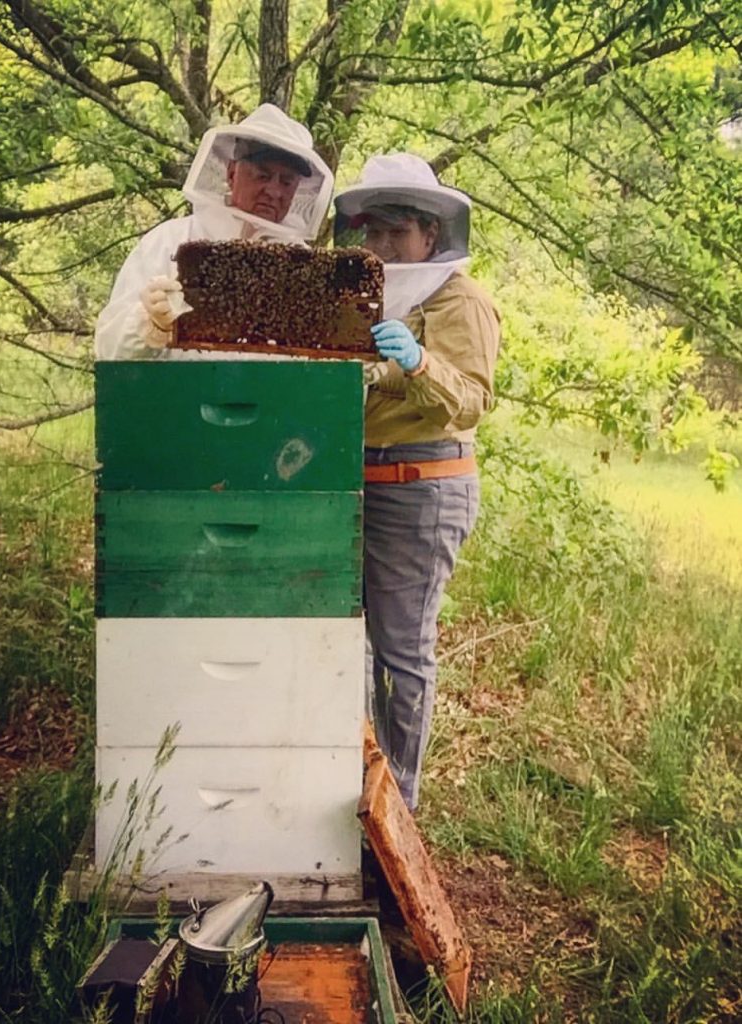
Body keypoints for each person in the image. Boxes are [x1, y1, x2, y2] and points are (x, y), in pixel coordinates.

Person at [334, 153, 501, 812]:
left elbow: (471, 400)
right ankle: (352, 785)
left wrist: (419, 362)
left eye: (397, 231)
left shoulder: (461, 299)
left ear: (430, 233)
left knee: (401, 650)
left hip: (421, 485)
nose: (382, 245)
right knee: (347, 642)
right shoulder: (362, 294)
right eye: (373, 230)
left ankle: (396, 808)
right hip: (357, 482)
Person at [95, 103, 333, 360]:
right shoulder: (169, 241)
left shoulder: (304, 266)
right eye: (262, 176)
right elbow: (109, 351)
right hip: (177, 386)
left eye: (286, 182)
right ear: (232, 174)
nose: (274, 191)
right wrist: (148, 324)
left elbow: (322, 367)